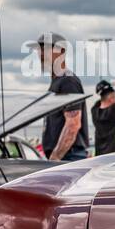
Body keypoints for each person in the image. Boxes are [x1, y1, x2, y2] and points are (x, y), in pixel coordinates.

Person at [37, 32, 89, 161]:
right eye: (40, 49)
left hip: (68, 156)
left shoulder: (68, 81)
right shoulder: (57, 81)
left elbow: (73, 124)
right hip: (65, 156)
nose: (42, 53)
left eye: (47, 49)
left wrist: (55, 157)